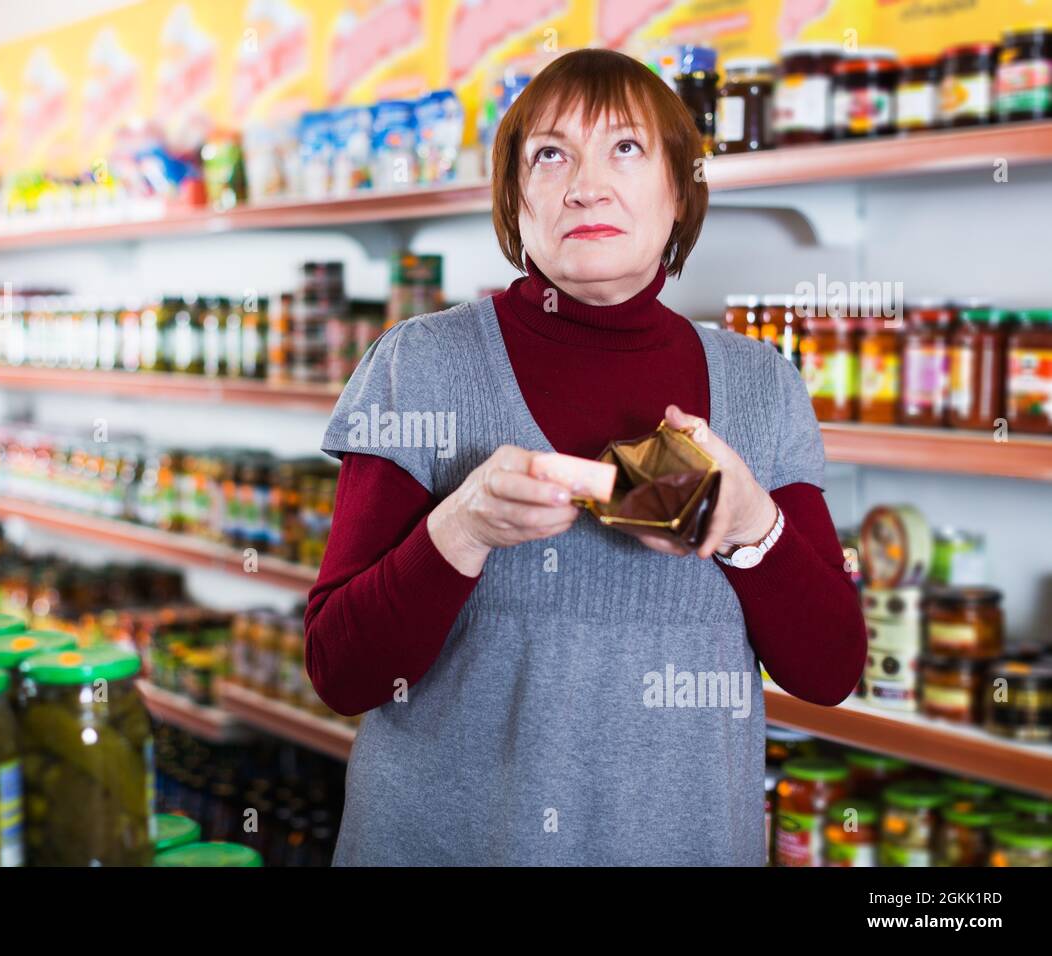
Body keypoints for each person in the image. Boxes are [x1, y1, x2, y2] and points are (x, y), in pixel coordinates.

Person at [305, 48, 866, 865]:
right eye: (550, 154)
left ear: (681, 187)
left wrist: (751, 526)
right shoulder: (418, 365)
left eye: (626, 149)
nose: (586, 184)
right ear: (515, 201)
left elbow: (829, 669)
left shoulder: (761, 387)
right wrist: (457, 531)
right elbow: (341, 673)